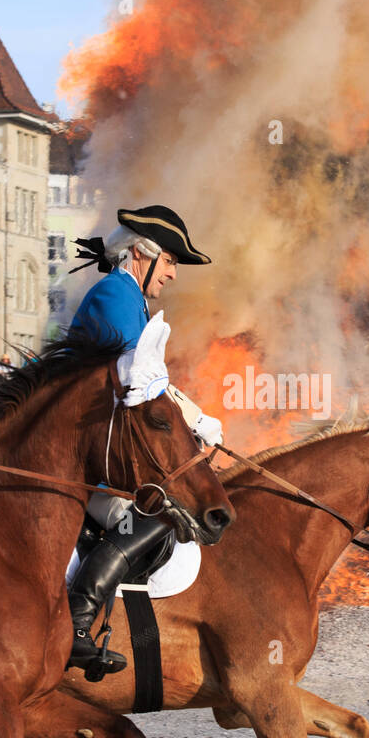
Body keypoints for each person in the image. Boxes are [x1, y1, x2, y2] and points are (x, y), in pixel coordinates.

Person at [64, 205, 221, 679]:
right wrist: (194, 420)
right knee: (151, 515)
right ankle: (77, 622)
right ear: (140, 254)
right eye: (170, 261)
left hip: (107, 446)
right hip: (85, 448)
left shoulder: (129, 298)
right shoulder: (115, 294)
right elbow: (142, 380)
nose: (173, 273)